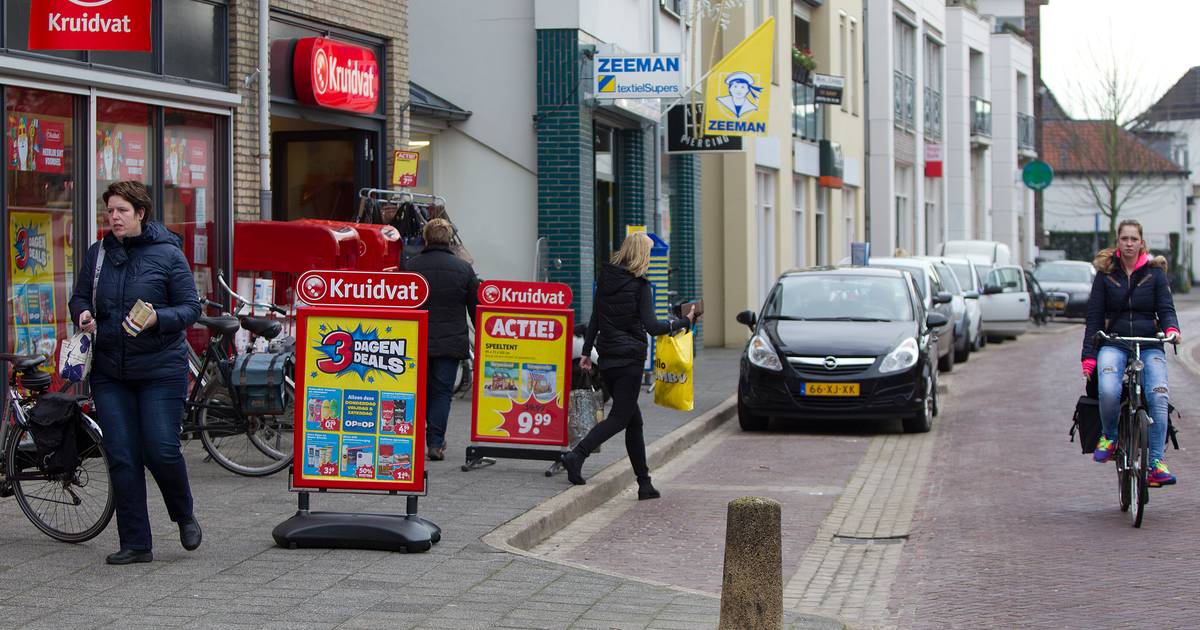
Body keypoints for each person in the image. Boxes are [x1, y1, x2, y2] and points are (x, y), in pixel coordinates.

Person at [68, 181, 202, 565]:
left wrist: (158, 318)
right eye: (109, 211)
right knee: (122, 455)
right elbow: (79, 296)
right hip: (110, 371)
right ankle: (136, 543)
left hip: (160, 369)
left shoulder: (168, 254)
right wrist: (82, 312)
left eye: (121, 211)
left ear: (140, 213)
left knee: (160, 450)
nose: (114, 218)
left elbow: (190, 308)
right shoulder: (98, 255)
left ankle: (183, 515)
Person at [561, 232, 695, 499]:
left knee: (634, 422)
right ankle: (577, 455)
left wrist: (587, 352)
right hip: (630, 361)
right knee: (620, 418)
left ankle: (644, 484)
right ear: (642, 255)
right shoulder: (640, 285)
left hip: (608, 359)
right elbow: (653, 327)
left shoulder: (606, 280)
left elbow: (595, 318)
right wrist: (684, 322)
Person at [1081, 219, 1181, 486]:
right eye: (1124, 239)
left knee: (1158, 396)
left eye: (1133, 239)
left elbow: (1166, 309)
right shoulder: (1106, 275)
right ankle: (1111, 436)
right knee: (1109, 389)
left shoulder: (1155, 274)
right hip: (1114, 341)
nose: (1128, 244)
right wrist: (1089, 356)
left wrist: (1172, 329)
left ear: (1141, 242)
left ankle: (1155, 464)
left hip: (1149, 342)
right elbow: (1094, 318)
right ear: (1118, 241)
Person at [405, 218, 479, 461]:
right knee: (441, 392)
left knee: (420, 391)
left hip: (416, 340)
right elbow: (475, 309)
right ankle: (435, 442)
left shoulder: (410, 267)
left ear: (425, 238)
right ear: (449, 240)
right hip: (449, 343)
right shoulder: (464, 269)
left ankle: (417, 438)